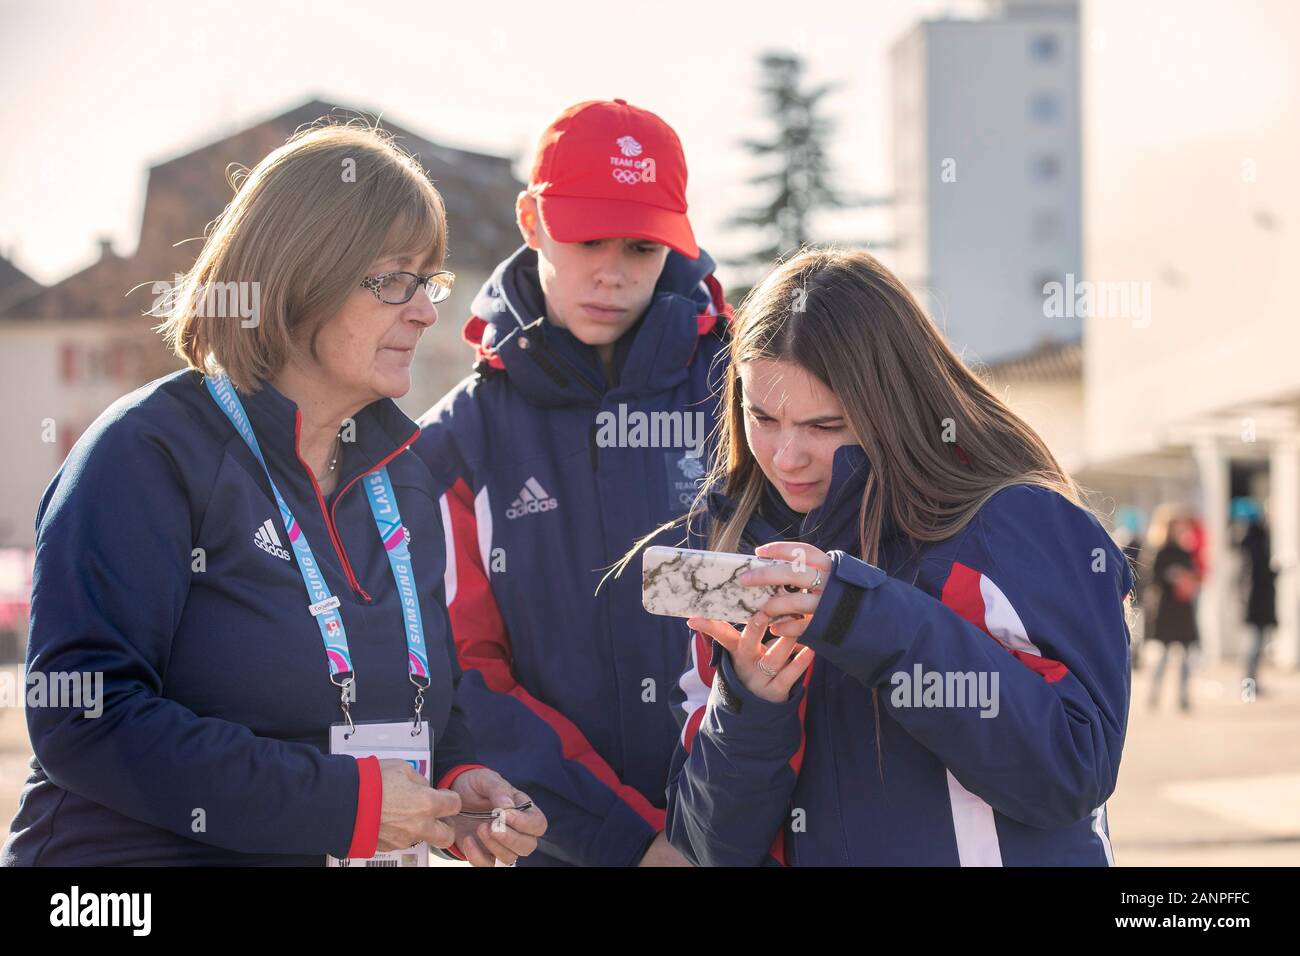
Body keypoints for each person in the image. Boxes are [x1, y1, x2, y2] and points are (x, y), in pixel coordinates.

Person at [1, 122, 545, 866]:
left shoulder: (405, 476)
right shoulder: (146, 453)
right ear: (299, 280)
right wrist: (345, 806)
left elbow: (419, 703)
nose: (423, 310)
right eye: (393, 280)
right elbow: (84, 719)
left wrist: (454, 785)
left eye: (429, 282)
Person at [646, 248, 1134, 866]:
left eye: (825, 426)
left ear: (895, 406)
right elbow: (711, 849)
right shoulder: (730, 553)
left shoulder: (1019, 524)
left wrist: (863, 619)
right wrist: (749, 709)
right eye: (761, 417)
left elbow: (1070, 769)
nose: (787, 455)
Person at [414, 99, 729, 866]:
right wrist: (630, 845)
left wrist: (715, 829)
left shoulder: (750, 400)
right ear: (531, 220)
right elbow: (465, 676)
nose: (613, 273)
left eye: (642, 247)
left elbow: (784, 633)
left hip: (753, 840)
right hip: (560, 850)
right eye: (587, 238)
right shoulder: (455, 443)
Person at [1144, 505, 1201, 712]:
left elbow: (1195, 576)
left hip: (1183, 609)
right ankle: (1154, 695)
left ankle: (1184, 696)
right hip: (1167, 609)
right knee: (1164, 655)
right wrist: (1173, 575)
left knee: (1187, 656)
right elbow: (1153, 579)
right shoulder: (1160, 552)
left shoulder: (1186, 552)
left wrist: (1189, 580)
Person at [1235, 499, 1275, 695]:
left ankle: (1251, 687)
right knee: (1254, 646)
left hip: (1254, 598)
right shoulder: (1256, 539)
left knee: (1255, 646)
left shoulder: (1250, 538)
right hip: (1257, 600)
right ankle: (1249, 689)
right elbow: (1261, 572)